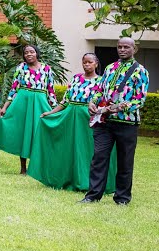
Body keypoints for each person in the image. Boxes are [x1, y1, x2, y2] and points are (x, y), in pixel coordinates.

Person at [30, 53, 117, 193]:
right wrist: (51, 113)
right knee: (70, 149)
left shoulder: (101, 81)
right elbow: (65, 101)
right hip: (71, 117)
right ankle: (68, 178)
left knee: (88, 149)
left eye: (90, 62)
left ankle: (88, 182)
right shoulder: (76, 78)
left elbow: (104, 101)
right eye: (84, 62)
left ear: (96, 64)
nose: (87, 65)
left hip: (88, 118)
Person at [81, 38, 149, 205]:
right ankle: (92, 196)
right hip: (104, 122)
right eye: (119, 47)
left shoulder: (140, 71)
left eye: (126, 47)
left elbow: (139, 100)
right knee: (98, 159)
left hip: (127, 124)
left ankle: (122, 199)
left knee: (125, 162)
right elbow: (99, 90)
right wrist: (93, 102)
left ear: (135, 49)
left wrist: (120, 108)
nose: (122, 49)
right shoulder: (110, 68)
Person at [0, 44, 58, 175]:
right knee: (22, 132)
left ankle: (36, 167)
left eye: (31, 52)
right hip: (22, 101)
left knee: (38, 132)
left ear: (37, 53)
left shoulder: (46, 69)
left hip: (40, 101)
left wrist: (55, 109)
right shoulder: (21, 68)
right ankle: (23, 168)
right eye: (26, 52)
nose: (29, 54)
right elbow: (14, 88)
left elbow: (51, 90)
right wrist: (5, 107)